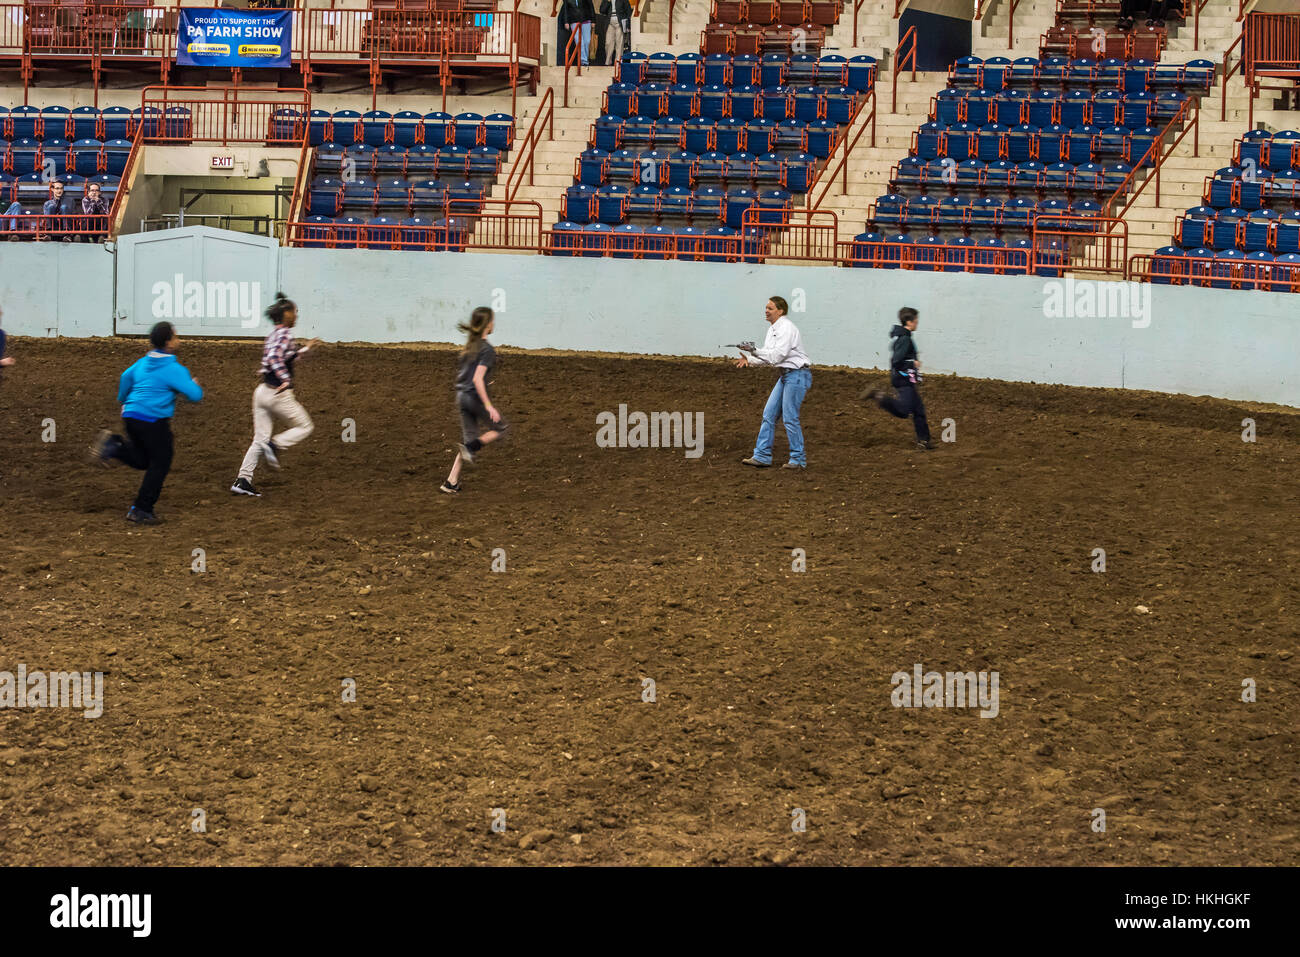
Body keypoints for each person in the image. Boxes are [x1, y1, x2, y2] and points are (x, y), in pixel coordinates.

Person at [89, 321, 204, 525]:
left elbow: (126, 377)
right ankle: (141, 508)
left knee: (143, 460)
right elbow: (195, 396)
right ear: (168, 342)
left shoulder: (142, 362)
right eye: (176, 336)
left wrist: (124, 401)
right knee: (161, 461)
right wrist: (192, 385)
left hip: (131, 415)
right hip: (153, 420)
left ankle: (115, 446)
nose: (178, 340)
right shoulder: (173, 368)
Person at [230, 292, 318, 497]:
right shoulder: (285, 334)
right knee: (305, 426)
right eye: (294, 311)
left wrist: (305, 349)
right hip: (278, 393)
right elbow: (275, 358)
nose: (296, 315)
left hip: (261, 392)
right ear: (286, 313)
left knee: (259, 438)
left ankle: (243, 480)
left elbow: (287, 356)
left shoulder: (273, 334)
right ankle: (276, 445)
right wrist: (285, 379)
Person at [735, 295, 812, 469]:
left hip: (796, 375)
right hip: (788, 375)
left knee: (790, 417)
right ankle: (762, 455)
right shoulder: (774, 329)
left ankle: (798, 459)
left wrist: (754, 352)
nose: (766, 311)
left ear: (780, 311)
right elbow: (769, 356)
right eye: (766, 308)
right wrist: (750, 358)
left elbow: (777, 356)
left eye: (770, 308)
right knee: (769, 415)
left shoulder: (786, 328)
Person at [441, 306, 507, 495]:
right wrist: (488, 405)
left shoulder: (470, 347)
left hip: (460, 397)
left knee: (467, 441)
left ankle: (451, 482)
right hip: (473, 398)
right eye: (492, 321)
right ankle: (470, 448)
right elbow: (478, 379)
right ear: (487, 325)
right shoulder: (487, 350)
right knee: (500, 428)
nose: (494, 324)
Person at [865, 306, 931, 451]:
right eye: (915, 321)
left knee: (918, 410)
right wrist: (912, 363)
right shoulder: (905, 339)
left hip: (906, 379)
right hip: (903, 380)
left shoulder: (903, 337)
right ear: (909, 321)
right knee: (904, 411)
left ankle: (924, 441)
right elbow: (897, 361)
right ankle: (880, 396)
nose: (917, 323)